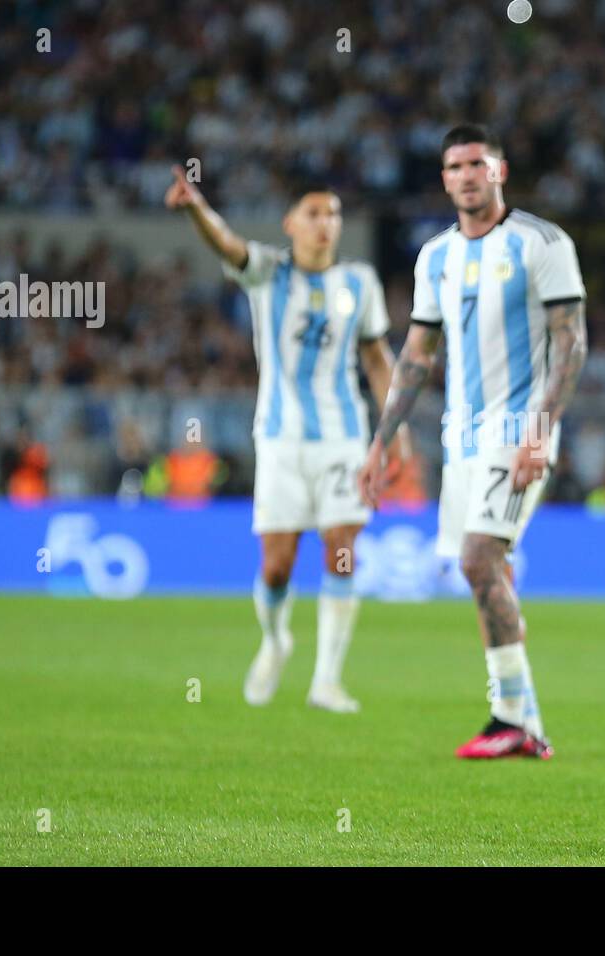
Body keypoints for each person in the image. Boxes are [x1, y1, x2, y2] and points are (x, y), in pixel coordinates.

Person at [359, 125, 588, 759]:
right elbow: (416, 353)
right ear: (444, 178)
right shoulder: (434, 256)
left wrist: (541, 431)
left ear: (500, 170)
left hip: (520, 432)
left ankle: (512, 717)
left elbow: (572, 341)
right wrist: (382, 440)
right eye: (454, 165)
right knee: (490, 570)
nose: (465, 174)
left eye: (476, 163)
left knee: (478, 558)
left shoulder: (543, 242)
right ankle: (523, 719)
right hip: (460, 438)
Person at [166, 166, 406, 713]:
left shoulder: (359, 283)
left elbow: (376, 358)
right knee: (277, 564)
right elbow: (227, 244)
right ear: (290, 222)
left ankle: (327, 678)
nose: (326, 224)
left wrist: (396, 427)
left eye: (334, 214)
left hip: (345, 437)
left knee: (341, 550)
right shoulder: (267, 273)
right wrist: (196, 208)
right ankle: (276, 640)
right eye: (315, 213)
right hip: (279, 438)